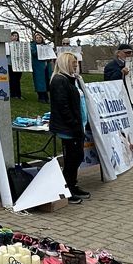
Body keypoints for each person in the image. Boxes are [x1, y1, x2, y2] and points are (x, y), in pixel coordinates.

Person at [49, 51, 90, 204]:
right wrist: (73, 123)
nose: (76, 66)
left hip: (76, 125)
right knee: (72, 158)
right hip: (69, 128)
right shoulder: (59, 81)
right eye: (73, 63)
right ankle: (67, 188)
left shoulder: (71, 80)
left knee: (77, 157)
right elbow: (62, 106)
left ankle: (73, 184)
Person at [30, 32, 53, 103]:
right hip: (38, 66)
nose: (39, 39)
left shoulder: (46, 46)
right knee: (39, 81)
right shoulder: (33, 46)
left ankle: (46, 96)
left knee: (46, 80)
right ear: (35, 39)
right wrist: (39, 50)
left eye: (40, 38)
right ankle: (41, 96)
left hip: (46, 66)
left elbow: (50, 55)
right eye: (37, 38)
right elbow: (33, 53)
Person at [7, 31, 23, 99]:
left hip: (18, 65)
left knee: (17, 79)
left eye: (16, 36)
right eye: (13, 35)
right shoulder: (7, 44)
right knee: (12, 79)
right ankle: (12, 94)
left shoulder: (20, 44)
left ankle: (18, 94)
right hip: (10, 64)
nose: (15, 37)